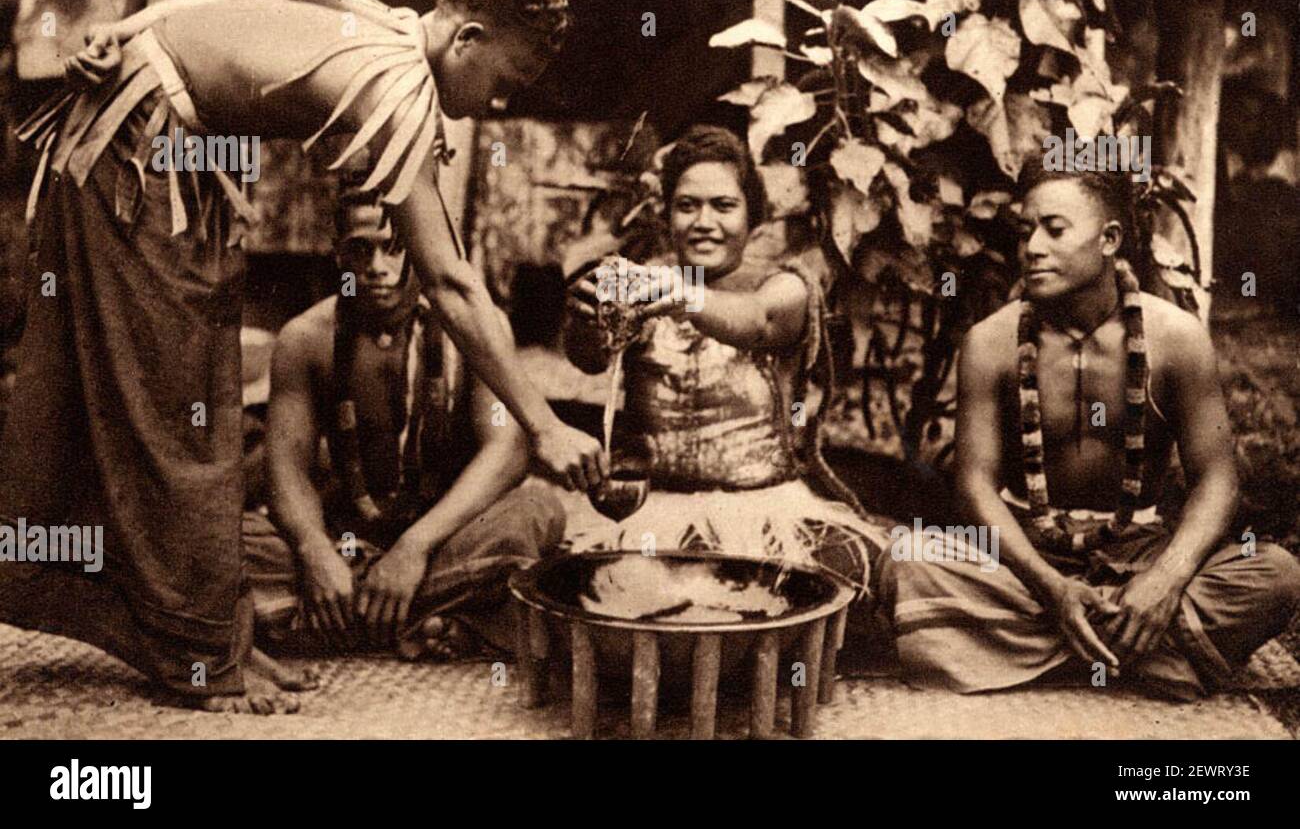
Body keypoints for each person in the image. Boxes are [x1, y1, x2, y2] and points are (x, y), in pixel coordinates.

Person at [1, 0, 604, 714]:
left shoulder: (387, 32)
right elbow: (451, 280)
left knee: (205, 405)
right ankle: (196, 651)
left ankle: (214, 632)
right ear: (467, 37)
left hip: (170, 150)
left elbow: (214, 13)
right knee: (171, 416)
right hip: (135, 154)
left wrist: (124, 30)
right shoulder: (400, 83)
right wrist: (544, 422)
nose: (496, 104)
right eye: (505, 81)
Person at [874, 162, 1300, 700]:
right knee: (908, 559)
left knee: (1277, 576)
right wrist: (1052, 589)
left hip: (1139, 553)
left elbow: (1218, 479)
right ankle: (1138, 653)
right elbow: (974, 485)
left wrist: (1164, 580)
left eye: (1054, 229)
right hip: (1025, 560)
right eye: (1025, 230)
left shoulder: (1177, 338)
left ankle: (1030, 651)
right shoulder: (989, 342)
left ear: (1110, 239)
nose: (1032, 247)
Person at [563, 125, 891, 603]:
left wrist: (676, 293)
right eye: (687, 205)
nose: (703, 222)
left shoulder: (786, 287)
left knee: (831, 584)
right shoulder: (641, 283)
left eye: (723, 206)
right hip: (654, 508)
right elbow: (589, 360)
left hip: (764, 511)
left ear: (753, 218)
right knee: (604, 588)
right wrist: (583, 318)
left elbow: (757, 323)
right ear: (667, 214)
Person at [244, 174, 563, 659]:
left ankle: (336, 619)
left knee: (534, 513)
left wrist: (413, 549)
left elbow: (508, 452)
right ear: (336, 254)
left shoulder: (478, 327)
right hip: (345, 540)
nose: (378, 267)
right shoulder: (304, 338)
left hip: (444, 538)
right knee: (227, 536)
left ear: (423, 248)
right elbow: (285, 469)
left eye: (396, 248)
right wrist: (315, 552)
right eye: (360, 250)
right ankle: (437, 620)